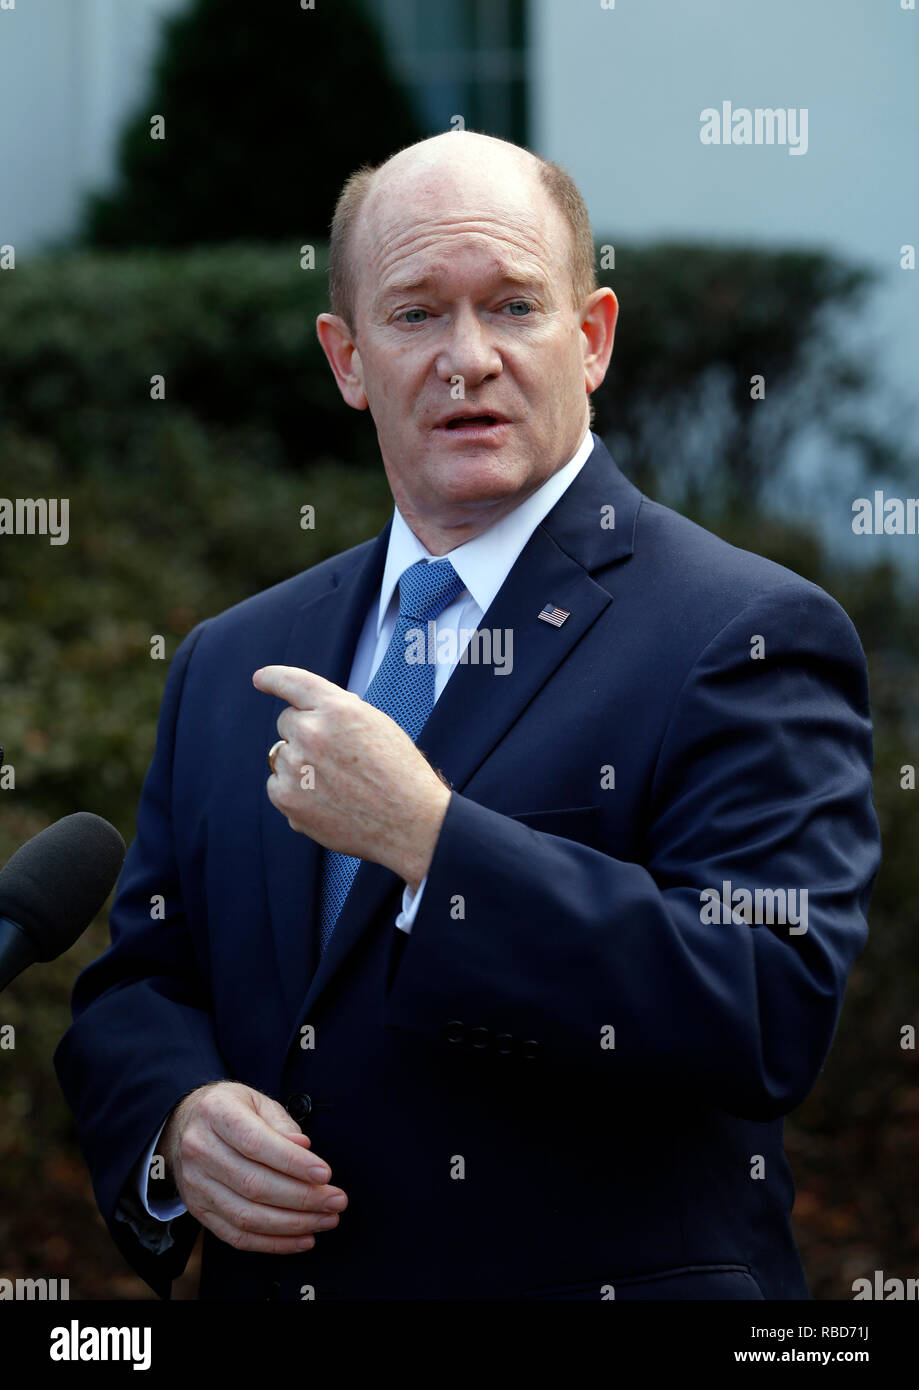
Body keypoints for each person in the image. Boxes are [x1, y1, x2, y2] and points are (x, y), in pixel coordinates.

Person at [54, 131, 881, 1301]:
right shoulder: (235, 659)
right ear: (346, 358)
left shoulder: (742, 630)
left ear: (590, 337)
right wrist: (176, 1121)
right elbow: (143, 980)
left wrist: (433, 841)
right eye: (414, 315)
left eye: (512, 306)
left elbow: (763, 1003)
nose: (468, 359)